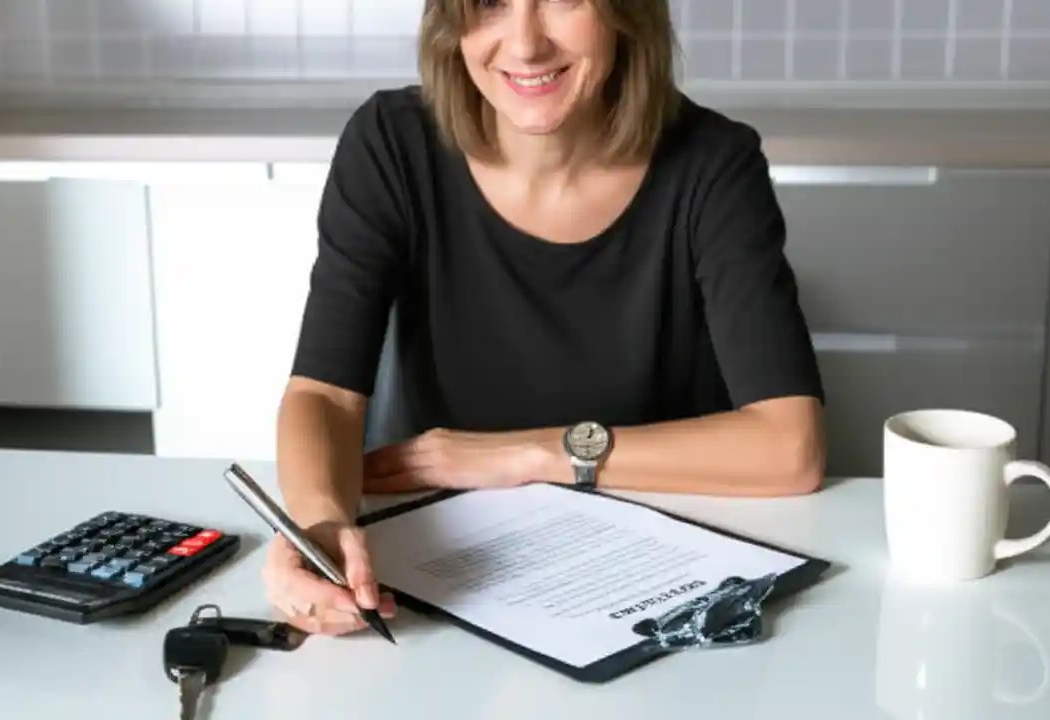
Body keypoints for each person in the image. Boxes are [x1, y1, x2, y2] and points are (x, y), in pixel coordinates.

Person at [262, 0, 827, 638]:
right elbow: (325, 394)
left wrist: (534, 453)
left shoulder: (715, 163)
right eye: (490, 4)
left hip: (647, 584)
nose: (525, 44)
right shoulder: (390, 142)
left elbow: (791, 448)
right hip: (429, 569)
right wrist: (319, 525)